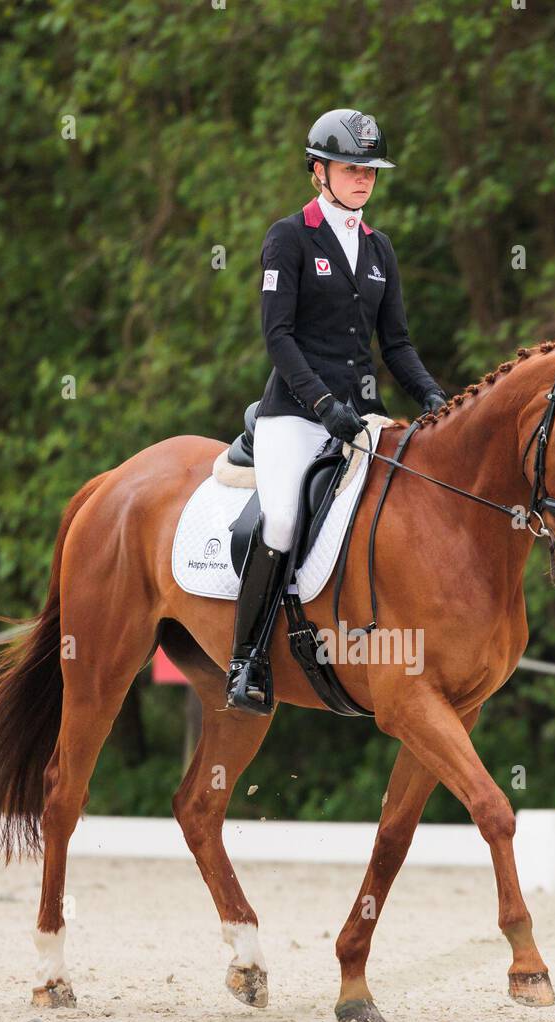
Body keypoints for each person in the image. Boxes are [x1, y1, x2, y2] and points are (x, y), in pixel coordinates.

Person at [225, 107, 447, 714]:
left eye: (371, 171)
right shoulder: (288, 238)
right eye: (352, 169)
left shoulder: (380, 250)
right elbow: (279, 337)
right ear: (318, 171)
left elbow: (395, 343)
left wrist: (431, 395)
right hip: (294, 414)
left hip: (361, 416)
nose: (364, 180)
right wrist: (321, 402)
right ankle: (246, 660)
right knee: (280, 521)